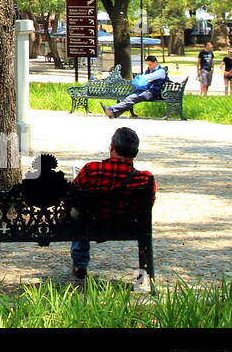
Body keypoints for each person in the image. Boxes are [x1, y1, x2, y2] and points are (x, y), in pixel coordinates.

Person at [69, 126, 157, 282]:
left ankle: (80, 264)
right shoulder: (145, 179)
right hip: (128, 225)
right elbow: (148, 204)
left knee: (79, 213)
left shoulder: (91, 170)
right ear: (135, 152)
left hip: (91, 224)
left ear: (112, 147)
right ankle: (143, 277)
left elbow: (72, 196)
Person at [102, 55, 167, 119]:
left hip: (153, 93)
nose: (149, 67)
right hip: (145, 91)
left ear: (155, 62)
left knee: (131, 98)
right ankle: (113, 113)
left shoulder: (160, 71)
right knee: (129, 99)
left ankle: (111, 109)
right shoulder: (149, 70)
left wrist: (140, 77)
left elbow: (149, 77)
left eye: (150, 65)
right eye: (148, 65)